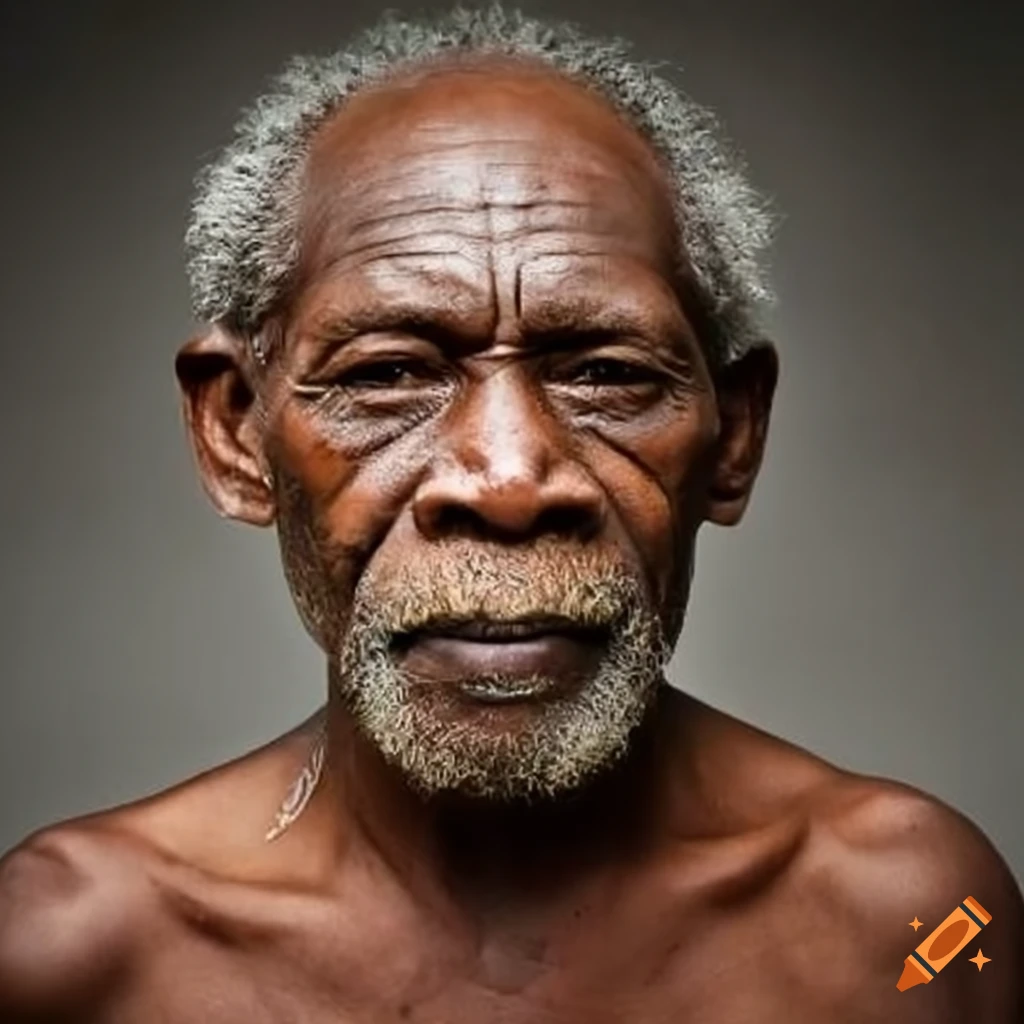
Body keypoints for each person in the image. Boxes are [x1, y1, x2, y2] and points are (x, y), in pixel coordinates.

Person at [1, 6, 1020, 1021]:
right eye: (389, 373)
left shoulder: (921, 927)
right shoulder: (74, 952)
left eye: (606, 374)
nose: (509, 480)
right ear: (234, 433)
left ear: (734, 435)